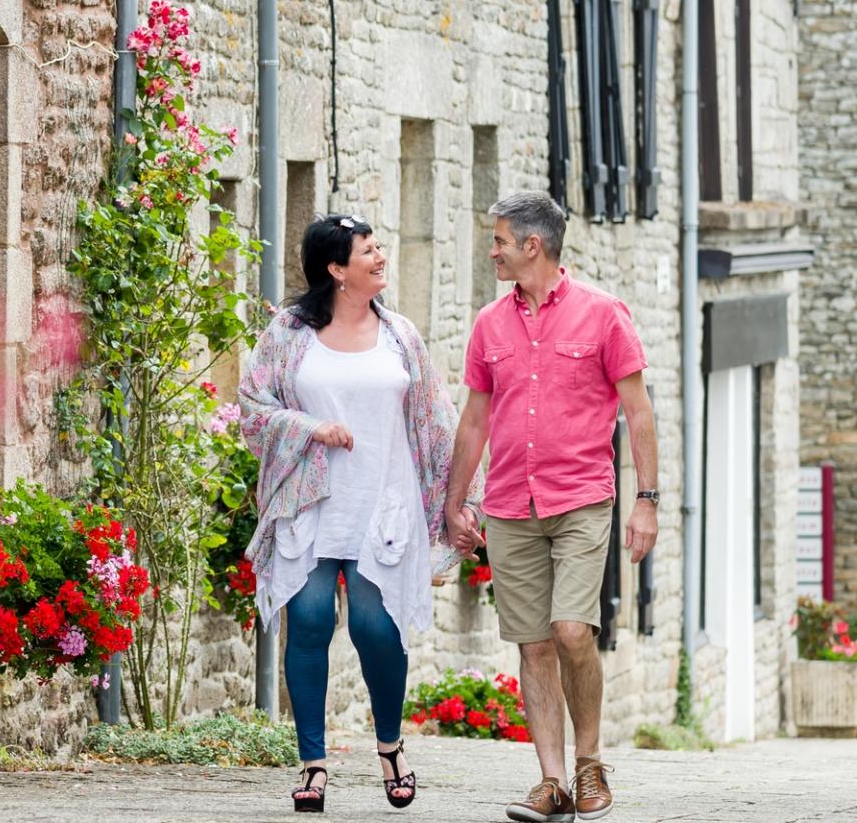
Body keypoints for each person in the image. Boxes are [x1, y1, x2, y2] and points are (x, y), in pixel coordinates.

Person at [241, 213, 479, 814]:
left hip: (384, 505)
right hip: (309, 505)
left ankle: (390, 747)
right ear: (335, 268)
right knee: (312, 622)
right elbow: (251, 405)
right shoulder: (289, 334)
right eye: (367, 251)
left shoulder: (401, 335)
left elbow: (435, 423)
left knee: (377, 628)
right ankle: (313, 764)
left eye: (380, 248)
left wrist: (459, 504)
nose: (380, 258)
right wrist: (308, 426)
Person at [444, 192, 659, 823]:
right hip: (511, 504)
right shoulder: (490, 324)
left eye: (500, 240)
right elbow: (475, 419)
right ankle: (553, 782)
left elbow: (638, 411)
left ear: (532, 246)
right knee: (534, 643)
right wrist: (457, 501)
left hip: (581, 499)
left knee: (571, 629)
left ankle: (590, 762)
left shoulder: (604, 315)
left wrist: (646, 500)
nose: (493, 251)